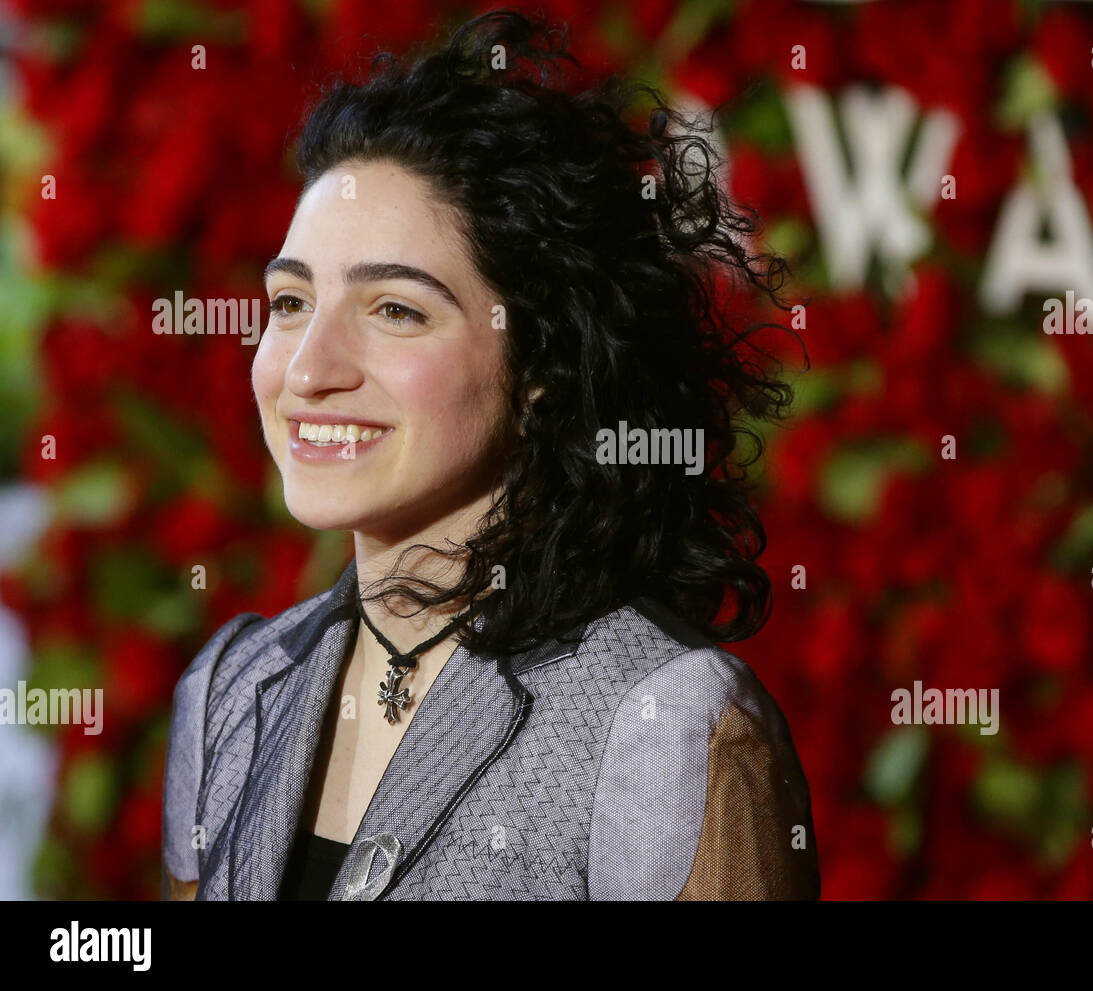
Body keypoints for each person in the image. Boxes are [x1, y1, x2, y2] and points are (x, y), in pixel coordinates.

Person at [161, 6, 817, 901]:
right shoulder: (232, 688)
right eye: (288, 303)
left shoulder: (667, 727)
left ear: (540, 365)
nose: (308, 369)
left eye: (395, 309)